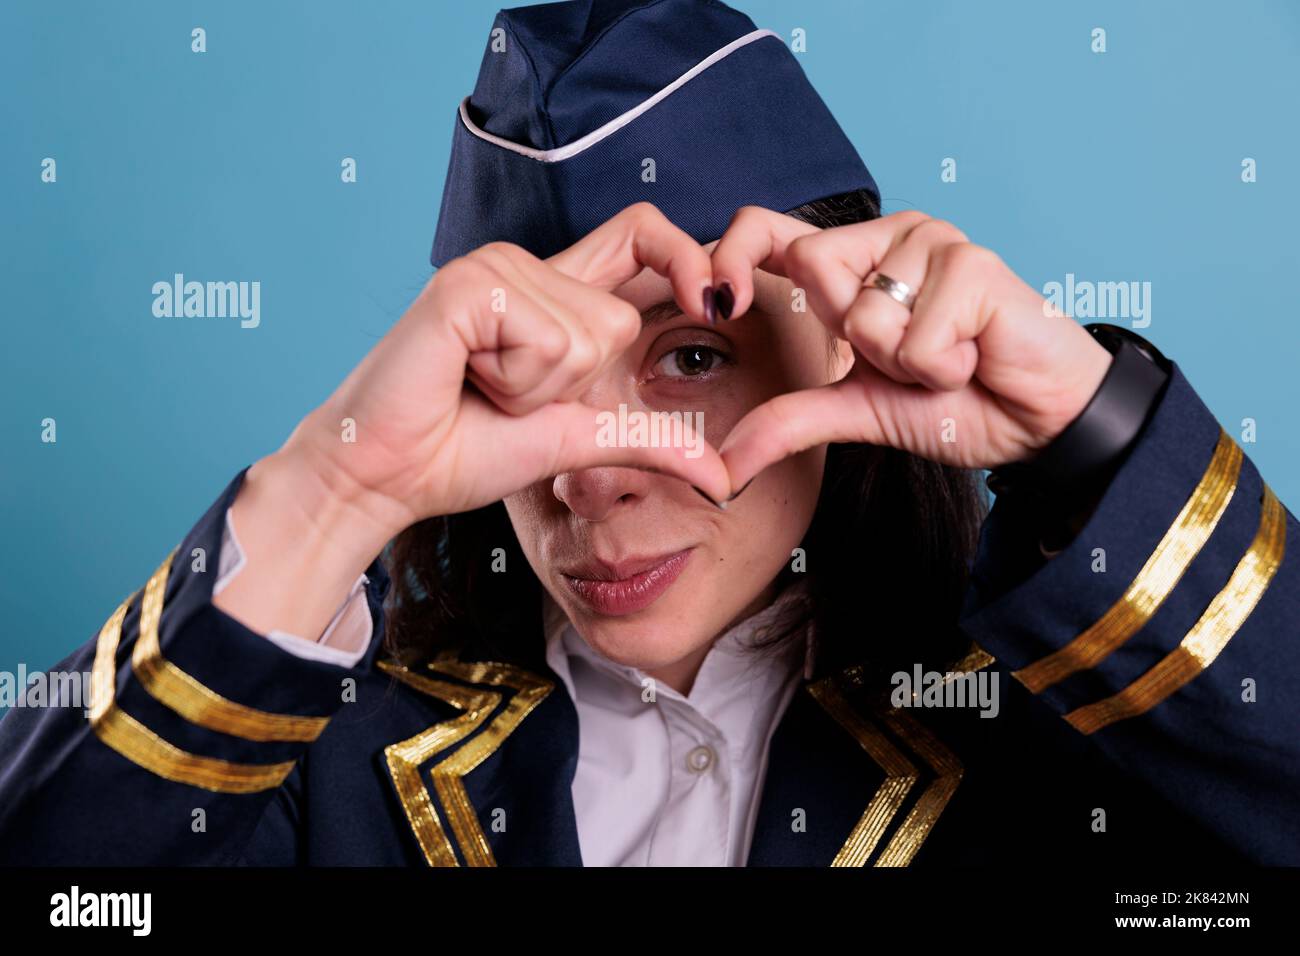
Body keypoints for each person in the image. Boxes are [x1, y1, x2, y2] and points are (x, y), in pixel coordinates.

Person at [1, 0, 1296, 867]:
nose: (588, 471)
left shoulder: (1079, 723)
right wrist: (338, 489)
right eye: (524, 373)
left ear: (845, 338)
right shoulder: (313, 761)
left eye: (691, 354)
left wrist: (1093, 436)